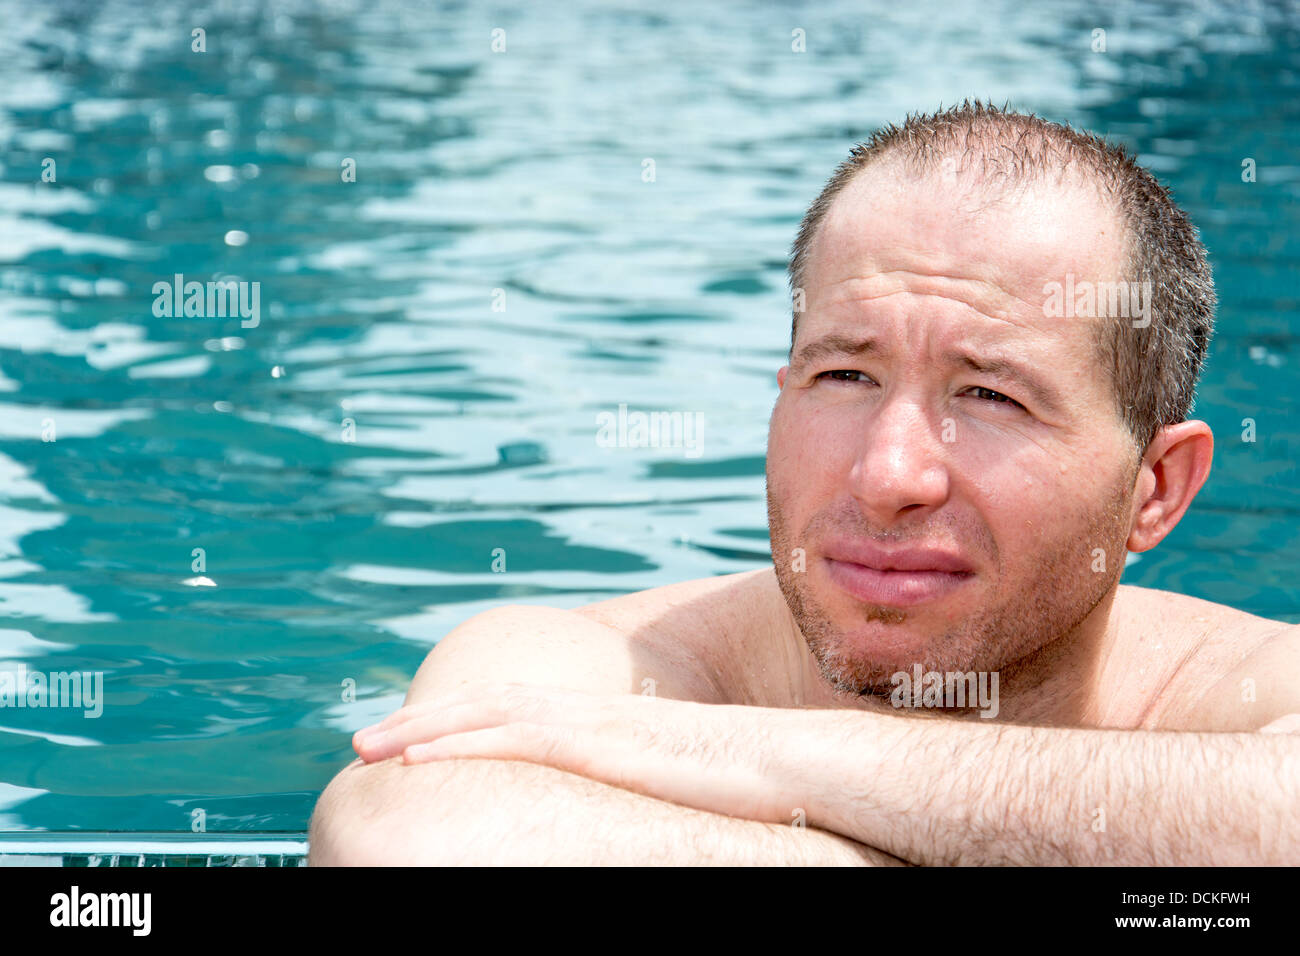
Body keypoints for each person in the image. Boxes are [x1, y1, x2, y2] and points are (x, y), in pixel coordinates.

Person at [309, 101, 1300, 866]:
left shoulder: (1248, 682)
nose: (887, 476)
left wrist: (764, 759)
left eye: (993, 396)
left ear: (1156, 487)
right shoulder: (587, 667)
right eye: (843, 376)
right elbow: (405, 832)